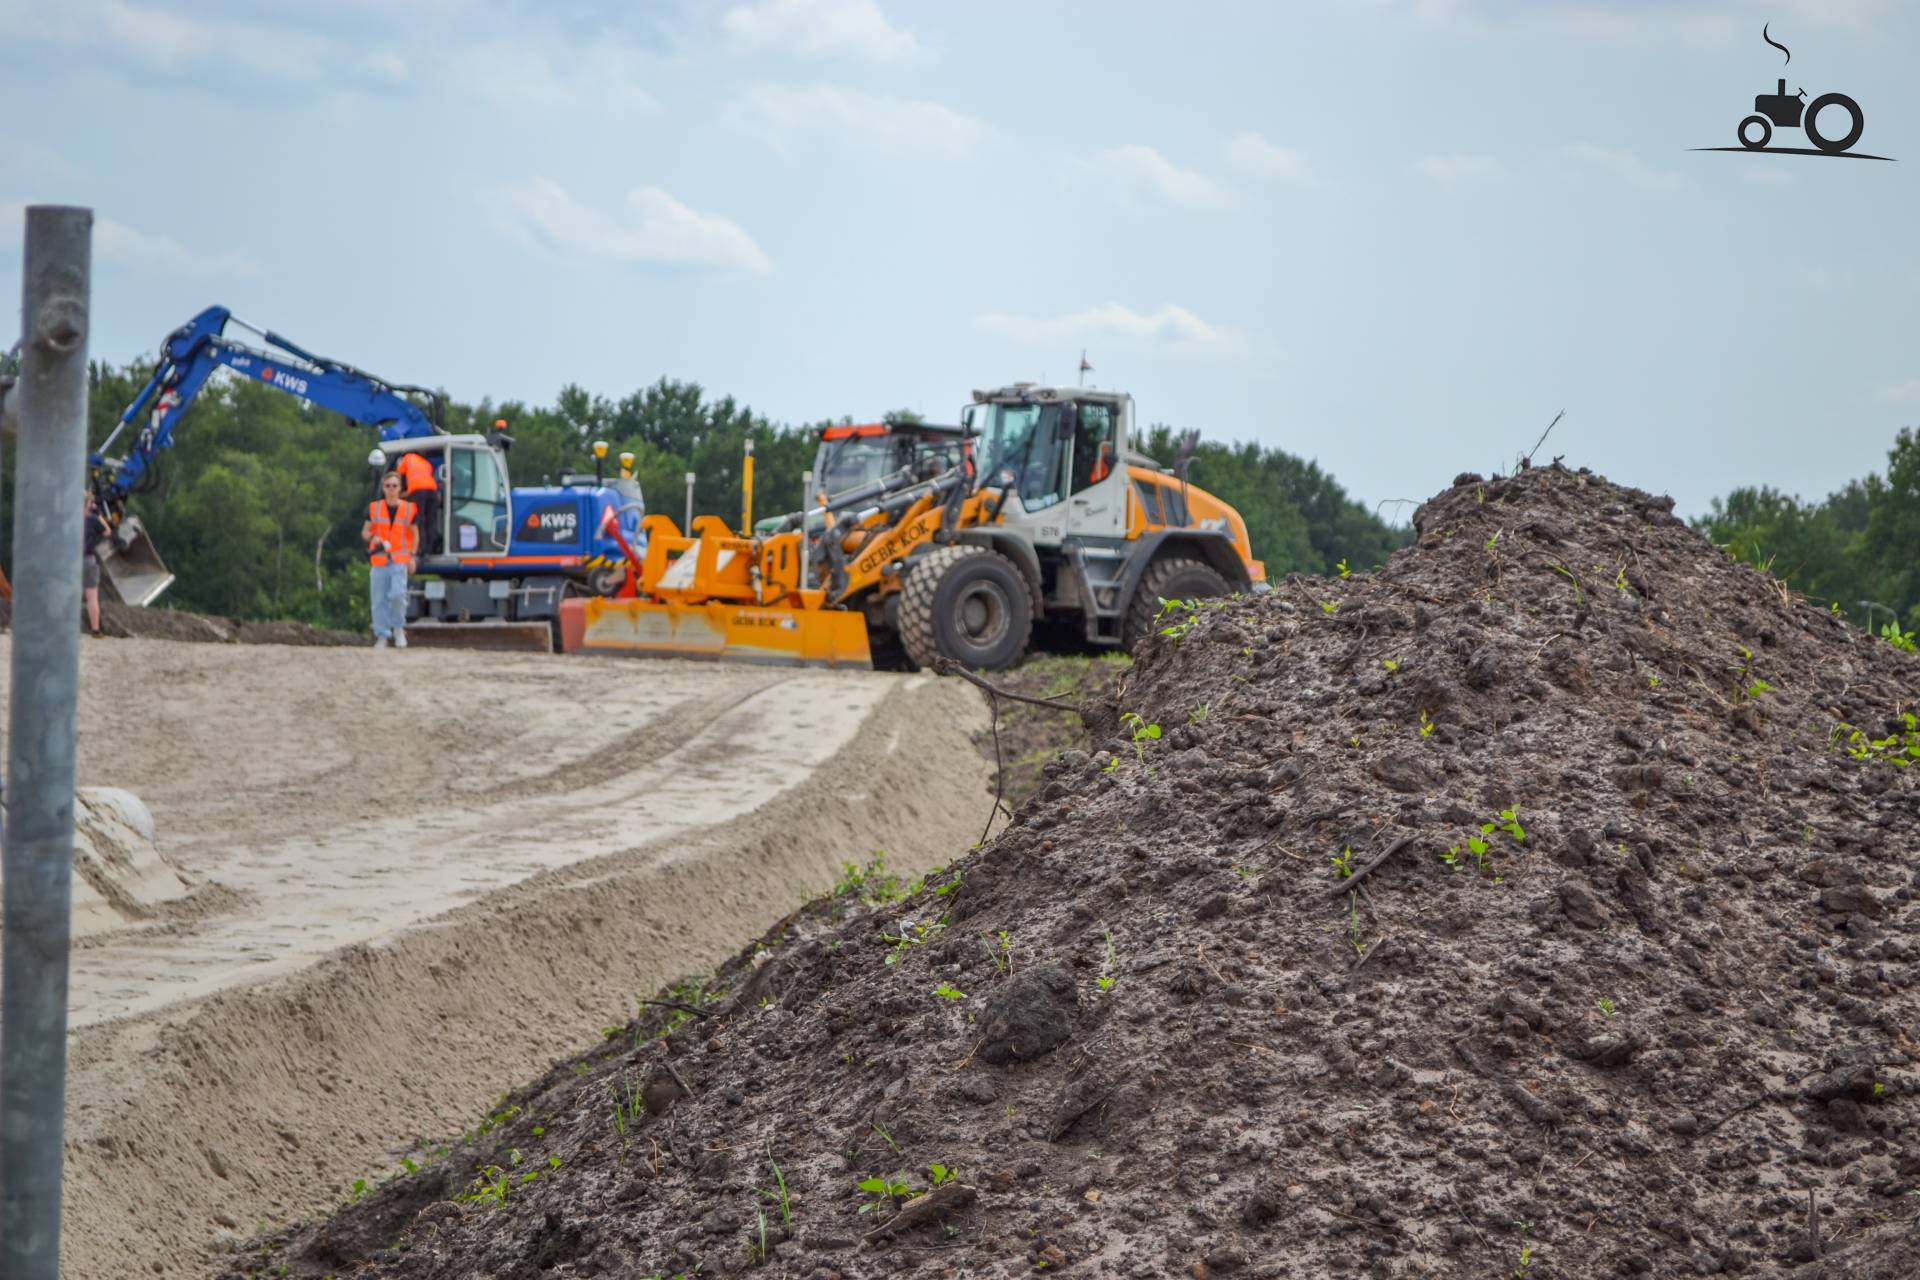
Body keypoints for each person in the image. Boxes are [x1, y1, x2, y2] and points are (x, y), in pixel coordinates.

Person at [361, 471, 418, 649]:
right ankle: (382, 635)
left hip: (400, 559)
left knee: (398, 594)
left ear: (400, 488)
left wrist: (412, 557)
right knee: (378, 600)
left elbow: (415, 535)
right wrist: (373, 538)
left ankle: (398, 628)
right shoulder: (374, 508)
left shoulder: (409, 509)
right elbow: (365, 532)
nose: (391, 489)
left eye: (394, 486)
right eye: (388, 486)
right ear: (383, 488)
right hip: (379, 559)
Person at [395, 448, 440, 557]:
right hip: (433, 491)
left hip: (418, 492)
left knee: (419, 520)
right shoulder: (426, 463)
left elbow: (397, 476)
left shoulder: (407, 458)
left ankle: (422, 549)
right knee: (431, 520)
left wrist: (398, 492)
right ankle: (431, 548)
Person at [82, 489, 109, 636]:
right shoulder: (92, 519)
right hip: (88, 560)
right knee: (92, 597)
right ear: (89, 504)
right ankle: (95, 630)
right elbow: (107, 531)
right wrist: (99, 515)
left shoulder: (68, 518)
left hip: (70, 561)